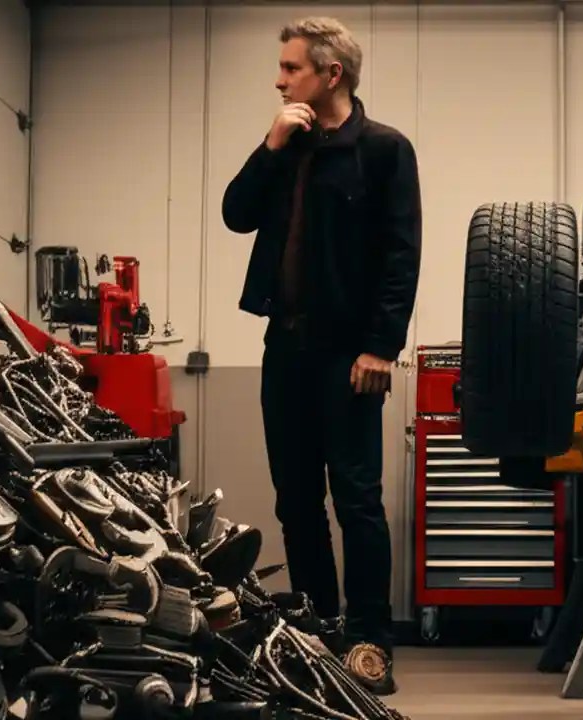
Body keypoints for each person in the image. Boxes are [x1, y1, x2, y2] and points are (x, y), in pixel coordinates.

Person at [221, 16, 421, 696]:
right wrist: (269, 147)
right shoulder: (288, 146)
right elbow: (235, 213)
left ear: (330, 74)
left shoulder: (385, 150)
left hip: (350, 355)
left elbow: (402, 257)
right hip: (287, 347)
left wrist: (381, 347)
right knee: (296, 502)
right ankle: (317, 631)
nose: (279, 80)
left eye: (291, 68)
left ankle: (370, 640)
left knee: (358, 500)